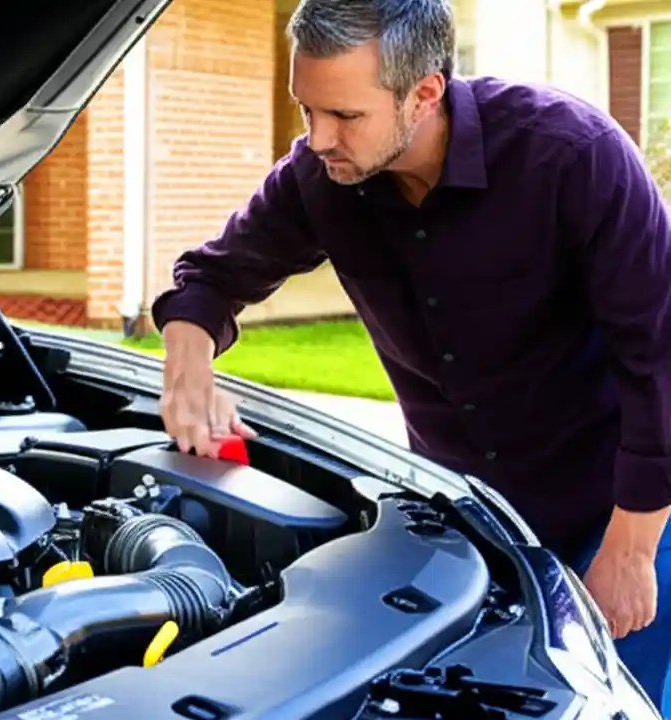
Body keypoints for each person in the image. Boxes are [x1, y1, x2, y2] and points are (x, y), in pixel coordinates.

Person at [150, 0, 671, 710]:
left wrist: (632, 553)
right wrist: (188, 374)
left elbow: (659, 361)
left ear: (424, 92)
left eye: (344, 115)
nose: (317, 138)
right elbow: (209, 280)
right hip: (466, 516)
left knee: (605, 702)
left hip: (617, 508)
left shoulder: (572, 156)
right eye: (307, 110)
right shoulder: (320, 174)